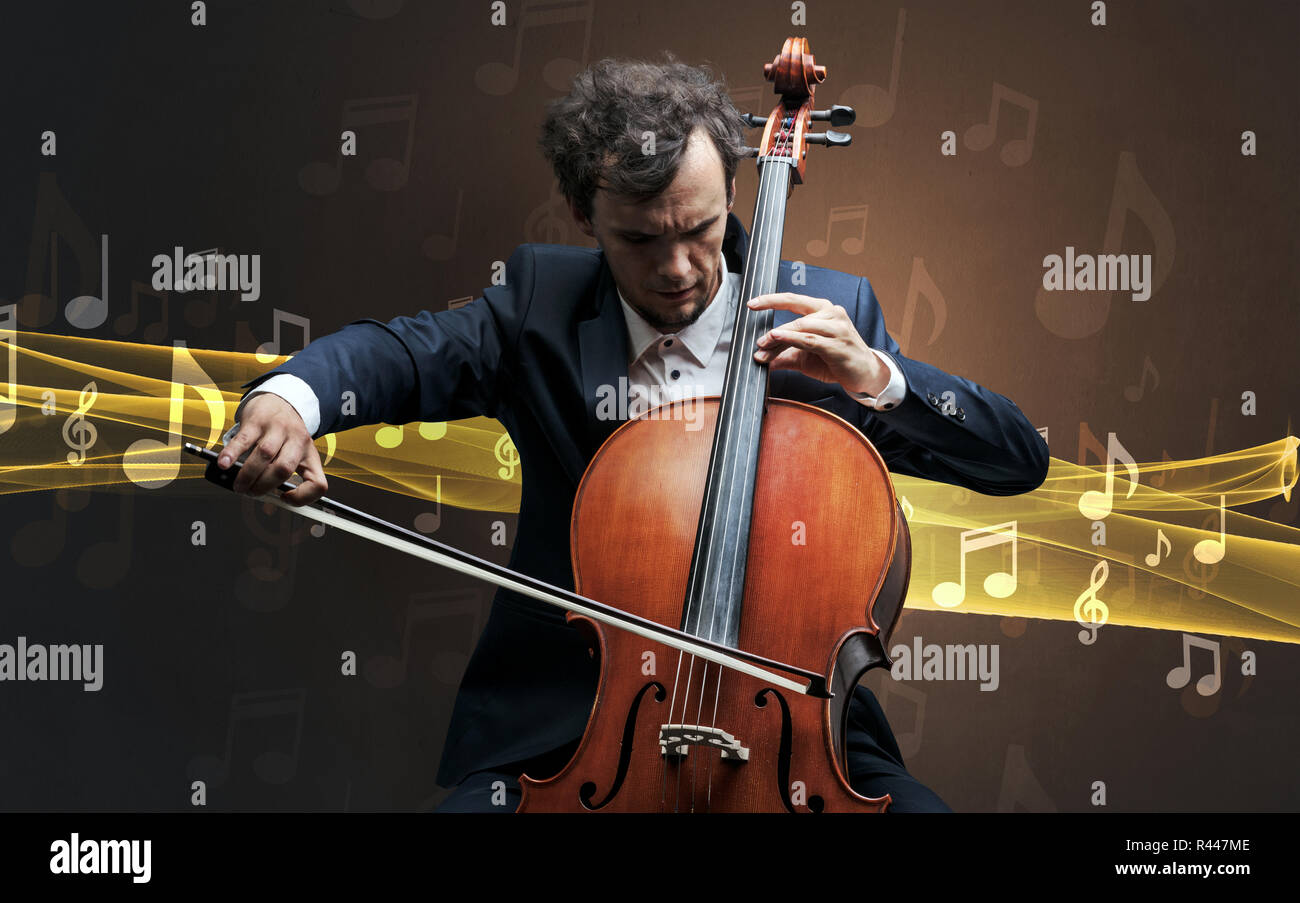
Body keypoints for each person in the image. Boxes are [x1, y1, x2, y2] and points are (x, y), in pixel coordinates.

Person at [217, 57, 1048, 812]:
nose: (679, 268)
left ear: (732, 188)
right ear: (585, 213)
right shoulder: (538, 304)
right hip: (576, 728)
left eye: (700, 229)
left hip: (799, 737)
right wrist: (295, 400)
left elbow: (1016, 461)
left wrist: (880, 379)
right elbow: (401, 354)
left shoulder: (830, 320)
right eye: (642, 239)